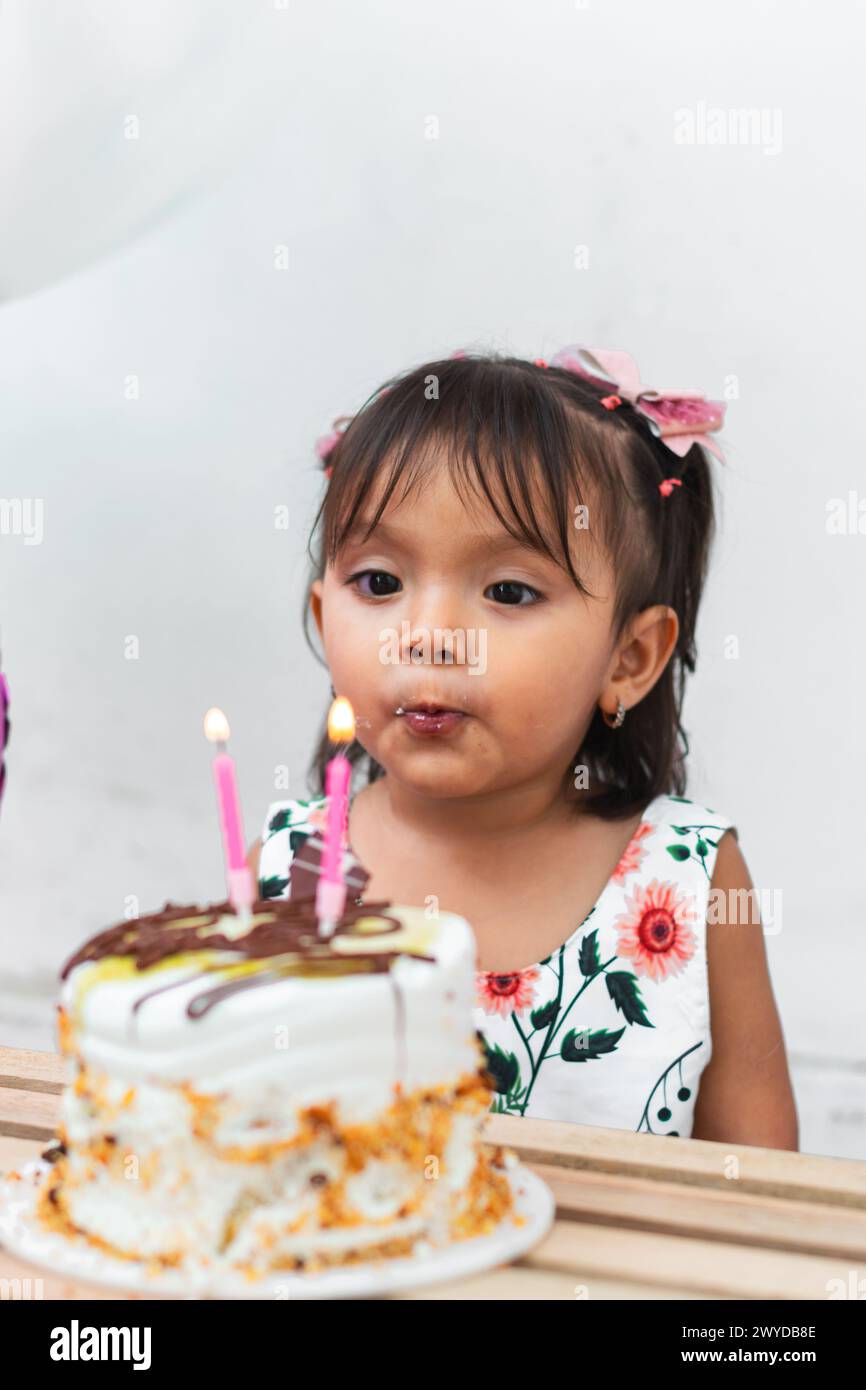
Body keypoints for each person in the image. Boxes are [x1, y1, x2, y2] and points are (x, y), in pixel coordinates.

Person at [247, 344, 798, 1147]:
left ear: (630, 658)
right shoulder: (290, 860)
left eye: (508, 591)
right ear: (325, 615)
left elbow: (765, 1199)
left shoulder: (688, 881)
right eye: (379, 583)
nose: (429, 638)